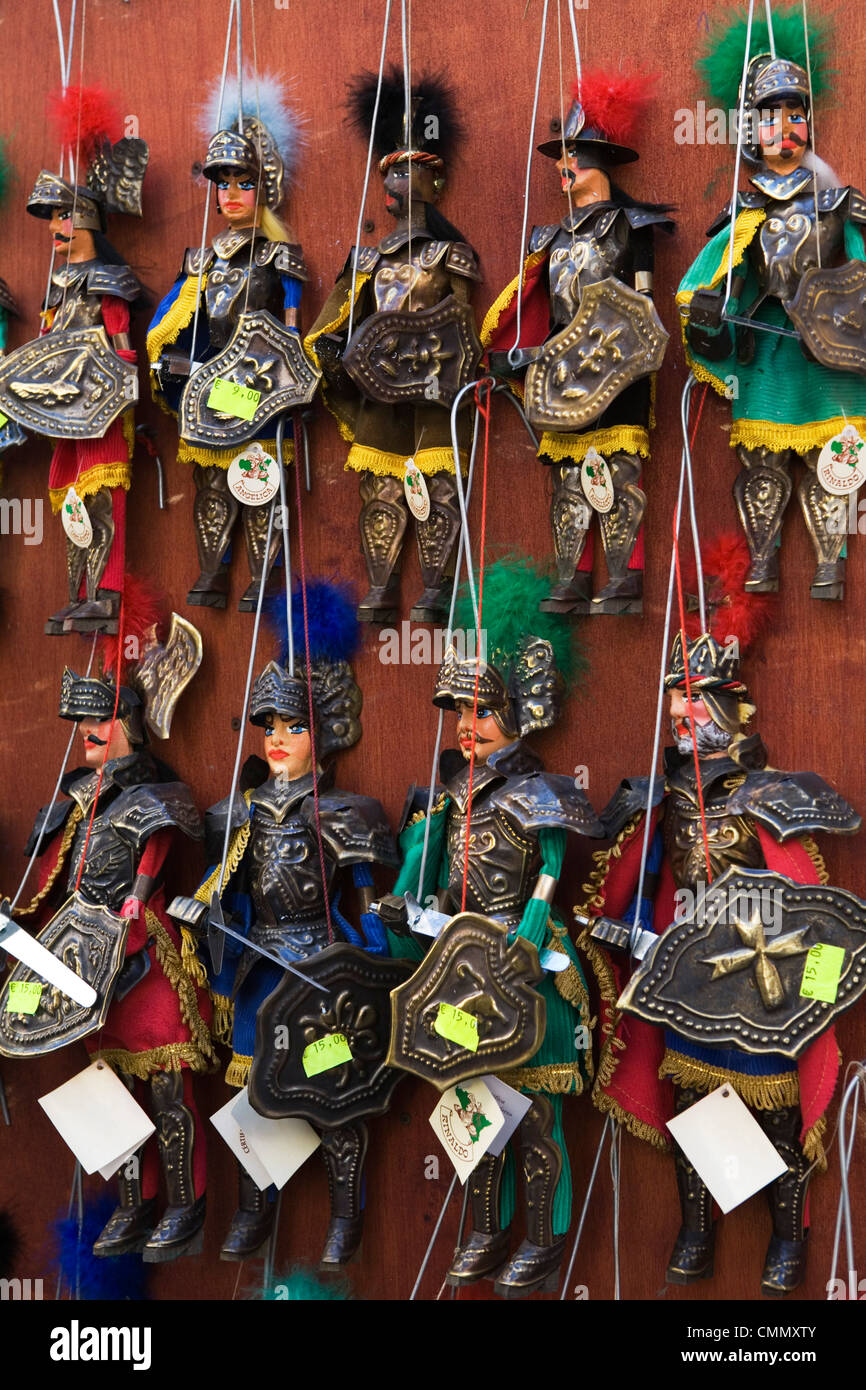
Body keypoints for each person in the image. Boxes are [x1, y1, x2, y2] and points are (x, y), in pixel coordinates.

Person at [581, 617, 861, 1295]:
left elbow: (815, 908)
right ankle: (696, 1229)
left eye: (694, 694)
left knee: (774, 1114)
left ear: (735, 704)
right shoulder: (660, 799)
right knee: (693, 1110)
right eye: (674, 694)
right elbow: (638, 888)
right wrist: (615, 932)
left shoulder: (771, 796)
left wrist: (814, 994)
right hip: (689, 976)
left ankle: (789, 1239)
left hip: (766, 980)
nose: (679, 710)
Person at [383, 557, 604, 1297]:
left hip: (524, 958)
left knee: (537, 1113)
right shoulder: (451, 788)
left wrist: (535, 927)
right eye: (459, 714)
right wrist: (407, 905)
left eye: (477, 713)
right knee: (474, 1108)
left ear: (512, 715)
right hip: (458, 958)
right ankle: (483, 1224)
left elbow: (549, 864)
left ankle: (541, 1238)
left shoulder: (541, 790)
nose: (464, 727)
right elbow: (429, 866)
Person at [178, 581, 399, 1264]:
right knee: (255, 1095)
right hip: (257, 966)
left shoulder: (347, 813)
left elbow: (364, 899)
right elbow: (229, 890)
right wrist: (203, 912)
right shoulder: (237, 811)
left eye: (293, 726)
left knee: (335, 1097)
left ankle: (345, 1218)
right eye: (267, 727)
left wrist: (366, 968)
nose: (277, 740)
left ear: (321, 733)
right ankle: (255, 1206)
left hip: (321, 968)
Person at [0, 602, 213, 1262]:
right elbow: (58, 883)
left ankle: (186, 1202)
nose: (88, 730)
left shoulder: (155, 796)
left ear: (130, 723)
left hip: (144, 955)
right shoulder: (80, 800)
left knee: (170, 1086)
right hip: (85, 960)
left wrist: (126, 930)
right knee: (112, 1089)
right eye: (83, 721)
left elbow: (148, 870)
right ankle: (133, 1200)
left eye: (100, 718)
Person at [677, 12, 866, 601]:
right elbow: (710, 288)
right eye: (770, 116)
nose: (784, 127)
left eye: (795, 113)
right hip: (767, 355)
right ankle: (763, 559)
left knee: (833, 462)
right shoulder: (742, 215)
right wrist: (708, 323)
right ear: (749, 130)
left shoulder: (840, 204)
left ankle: (829, 563)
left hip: (831, 358)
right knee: (763, 461)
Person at [484, 70, 674, 614]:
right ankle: (571, 576)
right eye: (560, 159)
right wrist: (518, 355)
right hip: (565, 368)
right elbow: (533, 306)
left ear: (598, 163)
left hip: (618, 366)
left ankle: (625, 578)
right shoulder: (550, 238)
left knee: (618, 469)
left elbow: (644, 307)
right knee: (569, 475)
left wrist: (637, 359)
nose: (562, 169)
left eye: (572, 158)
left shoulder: (629, 224)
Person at [304, 70, 481, 625]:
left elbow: (464, 330)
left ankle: (436, 588)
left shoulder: (450, 257)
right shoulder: (368, 261)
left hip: (433, 388)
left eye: (411, 169)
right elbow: (335, 324)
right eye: (393, 169)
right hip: (380, 391)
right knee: (381, 484)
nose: (401, 180)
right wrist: (332, 359)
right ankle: (381, 588)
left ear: (437, 180)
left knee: (437, 479)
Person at [147, 77, 306, 609]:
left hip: (256, 389)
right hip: (209, 383)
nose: (231, 193)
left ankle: (262, 577)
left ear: (264, 186)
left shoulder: (277, 256)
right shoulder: (202, 260)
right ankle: (213, 573)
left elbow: (290, 334)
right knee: (211, 483)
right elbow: (173, 320)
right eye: (223, 183)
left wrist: (286, 387)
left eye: (243, 181)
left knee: (259, 481)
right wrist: (166, 359)